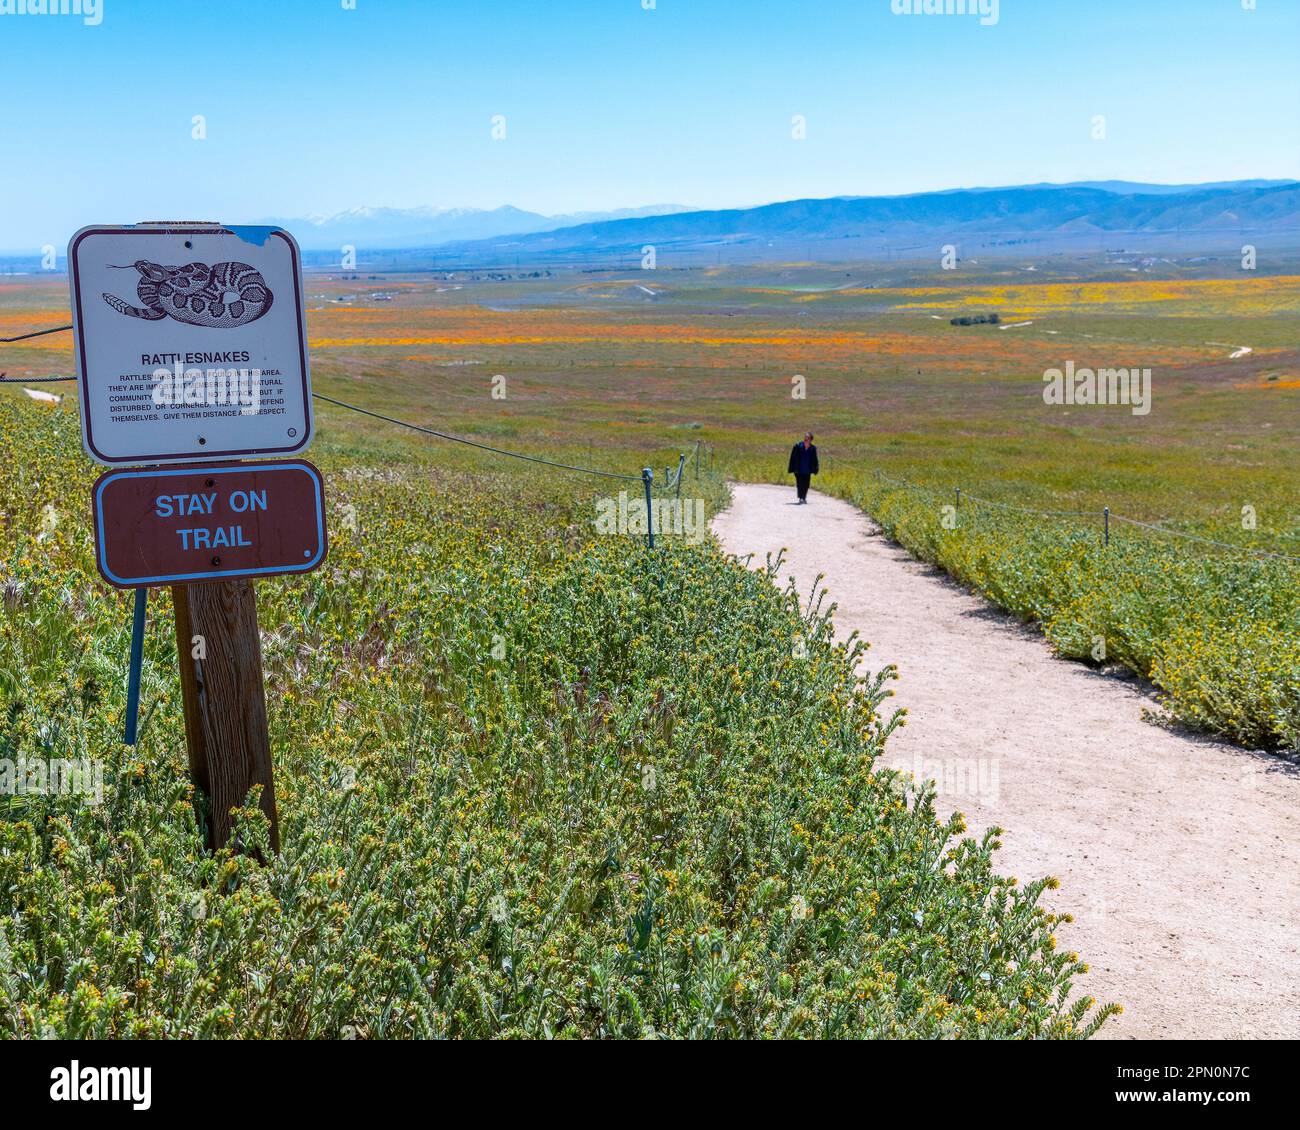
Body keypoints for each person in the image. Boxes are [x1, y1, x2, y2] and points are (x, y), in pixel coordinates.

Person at [787, 432, 819, 503]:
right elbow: (793, 458)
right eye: (805, 438)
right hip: (799, 469)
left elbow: (815, 459)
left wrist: (815, 469)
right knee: (800, 484)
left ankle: (804, 497)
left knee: (806, 484)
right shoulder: (798, 446)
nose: (805, 439)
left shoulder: (812, 448)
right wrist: (793, 467)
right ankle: (801, 498)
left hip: (807, 470)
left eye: (807, 438)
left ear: (810, 440)